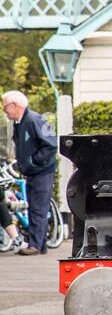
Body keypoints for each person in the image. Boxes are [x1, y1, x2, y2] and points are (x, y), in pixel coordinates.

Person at [3, 91, 57, 256]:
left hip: (41, 172)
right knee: (35, 207)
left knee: (38, 208)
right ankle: (40, 244)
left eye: (6, 107)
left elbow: (51, 145)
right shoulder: (20, 122)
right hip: (33, 172)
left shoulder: (34, 119)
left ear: (15, 105)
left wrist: (34, 162)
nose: (4, 111)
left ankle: (35, 245)